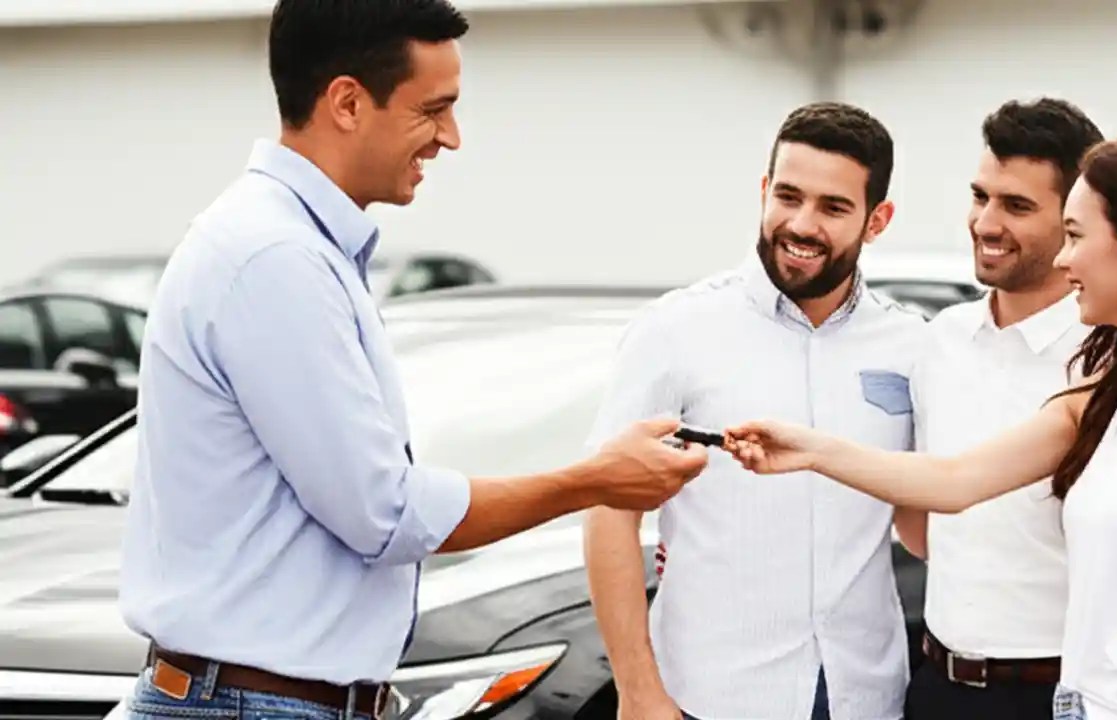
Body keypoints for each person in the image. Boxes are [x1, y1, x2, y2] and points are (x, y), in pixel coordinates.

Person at [116, 2, 708, 719]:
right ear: (347, 103)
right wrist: (594, 480)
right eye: (433, 110)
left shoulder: (286, 246)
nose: (451, 138)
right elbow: (386, 514)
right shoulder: (275, 259)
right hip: (256, 705)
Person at [724, 128, 1117, 720]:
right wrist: (809, 450)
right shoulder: (1102, 395)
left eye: (1075, 235)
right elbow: (955, 482)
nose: (1064, 259)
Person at [582, 101, 926, 720]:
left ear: (877, 220)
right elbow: (608, 510)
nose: (801, 224)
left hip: (865, 695)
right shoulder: (675, 330)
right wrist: (637, 690)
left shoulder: (912, 345)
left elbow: (928, 513)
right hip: (712, 697)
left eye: (833, 207)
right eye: (788, 196)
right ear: (764, 189)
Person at [893, 98, 1100, 719]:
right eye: (980, 197)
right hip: (936, 686)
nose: (986, 222)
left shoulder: (1110, 359)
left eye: (1016, 206)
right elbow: (919, 523)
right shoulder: (939, 341)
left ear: (1073, 221)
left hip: (1060, 697)